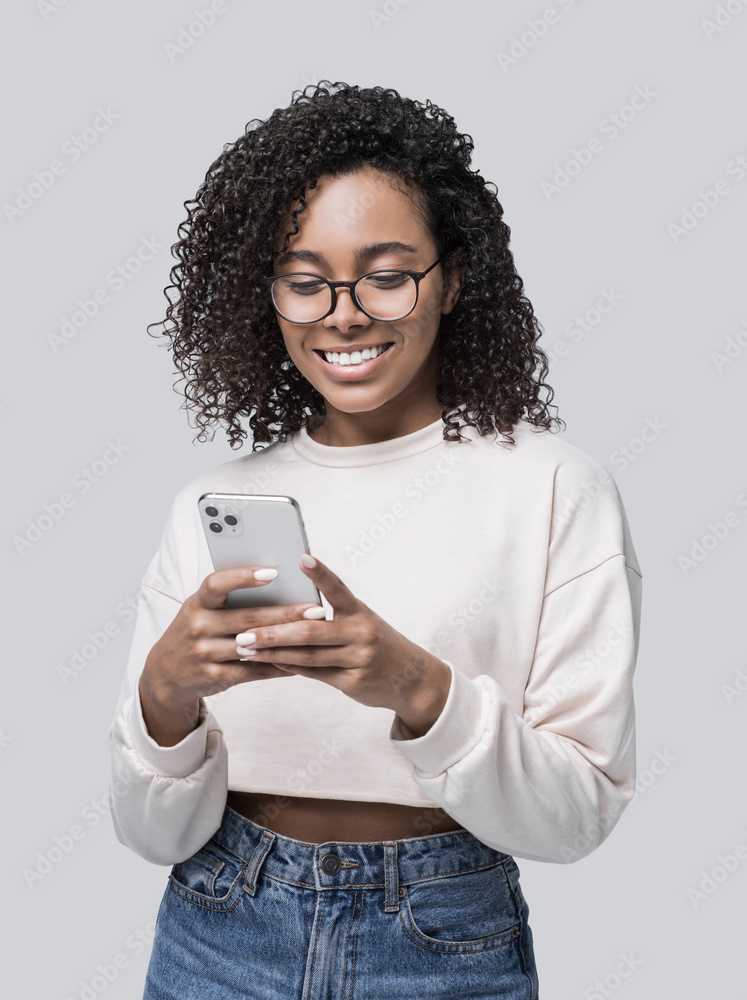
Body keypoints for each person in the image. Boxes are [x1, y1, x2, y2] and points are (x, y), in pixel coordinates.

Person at [108, 81, 642, 998]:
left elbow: (576, 817)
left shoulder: (554, 488)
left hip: (440, 935)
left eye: (387, 275)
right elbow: (152, 835)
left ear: (454, 277)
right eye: (305, 281)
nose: (343, 313)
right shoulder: (216, 501)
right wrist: (162, 702)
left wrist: (417, 690)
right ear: (268, 296)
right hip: (218, 927)